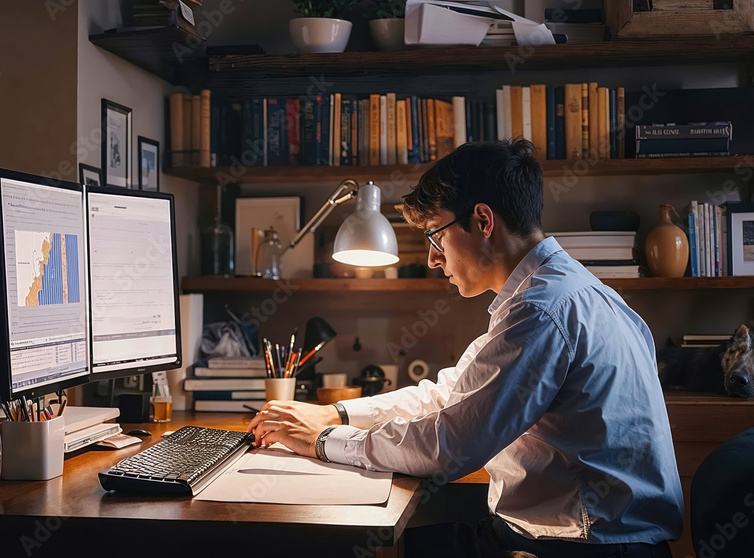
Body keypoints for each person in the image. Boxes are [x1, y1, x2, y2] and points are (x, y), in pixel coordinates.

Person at [247, 139, 683, 558]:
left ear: (483, 221)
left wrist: (321, 441)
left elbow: (447, 447)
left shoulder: (541, 311)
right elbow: (450, 392)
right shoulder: (563, 292)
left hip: (583, 549)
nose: (434, 258)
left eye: (436, 235)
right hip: (583, 540)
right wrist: (336, 414)